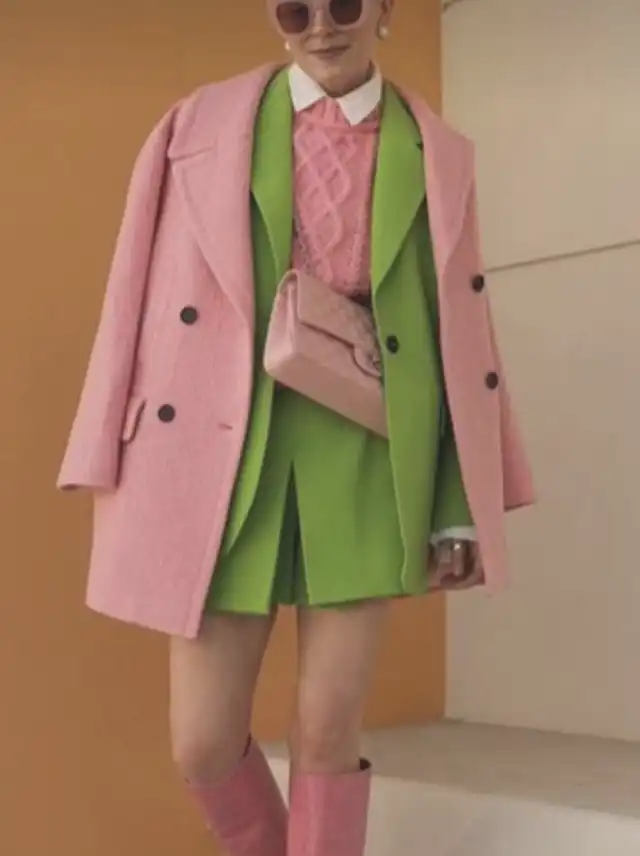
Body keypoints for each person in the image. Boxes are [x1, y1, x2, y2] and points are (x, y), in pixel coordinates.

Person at [57, 1, 535, 854]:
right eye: (295, 7)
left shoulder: (432, 150)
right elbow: (129, 286)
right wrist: (100, 443)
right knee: (202, 743)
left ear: (384, 11)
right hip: (221, 449)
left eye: (344, 4)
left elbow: (457, 334)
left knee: (326, 733)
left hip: (371, 450)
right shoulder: (196, 126)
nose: (321, 25)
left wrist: (458, 502)